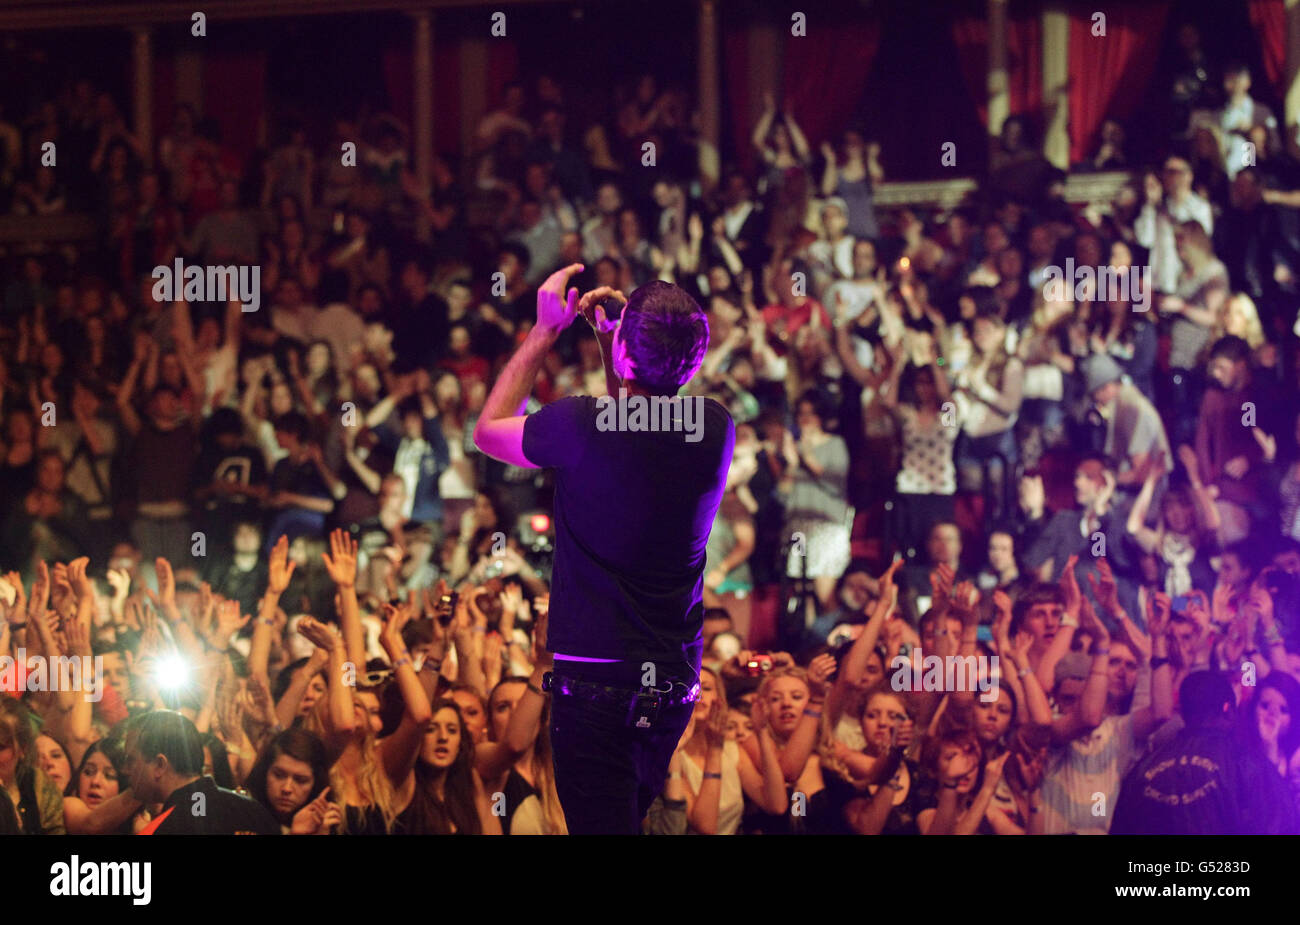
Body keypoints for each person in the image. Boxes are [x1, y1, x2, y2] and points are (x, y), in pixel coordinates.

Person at [473, 265, 734, 834]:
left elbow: (490, 428)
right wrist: (614, 346)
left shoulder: (576, 423)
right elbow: (635, 431)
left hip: (593, 690)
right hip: (670, 684)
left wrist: (545, 330)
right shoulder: (713, 429)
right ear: (695, 357)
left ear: (623, 357)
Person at [1112, 671, 1298, 834]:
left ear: (1183, 714)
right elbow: (1283, 827)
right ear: (1229, 710)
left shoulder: (1141, 771)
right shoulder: (1248, 764)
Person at [123, 710, 280, 834]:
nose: (125, 770)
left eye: (131, 761)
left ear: (159, 765)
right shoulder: (254, 811)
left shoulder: (167, 827)